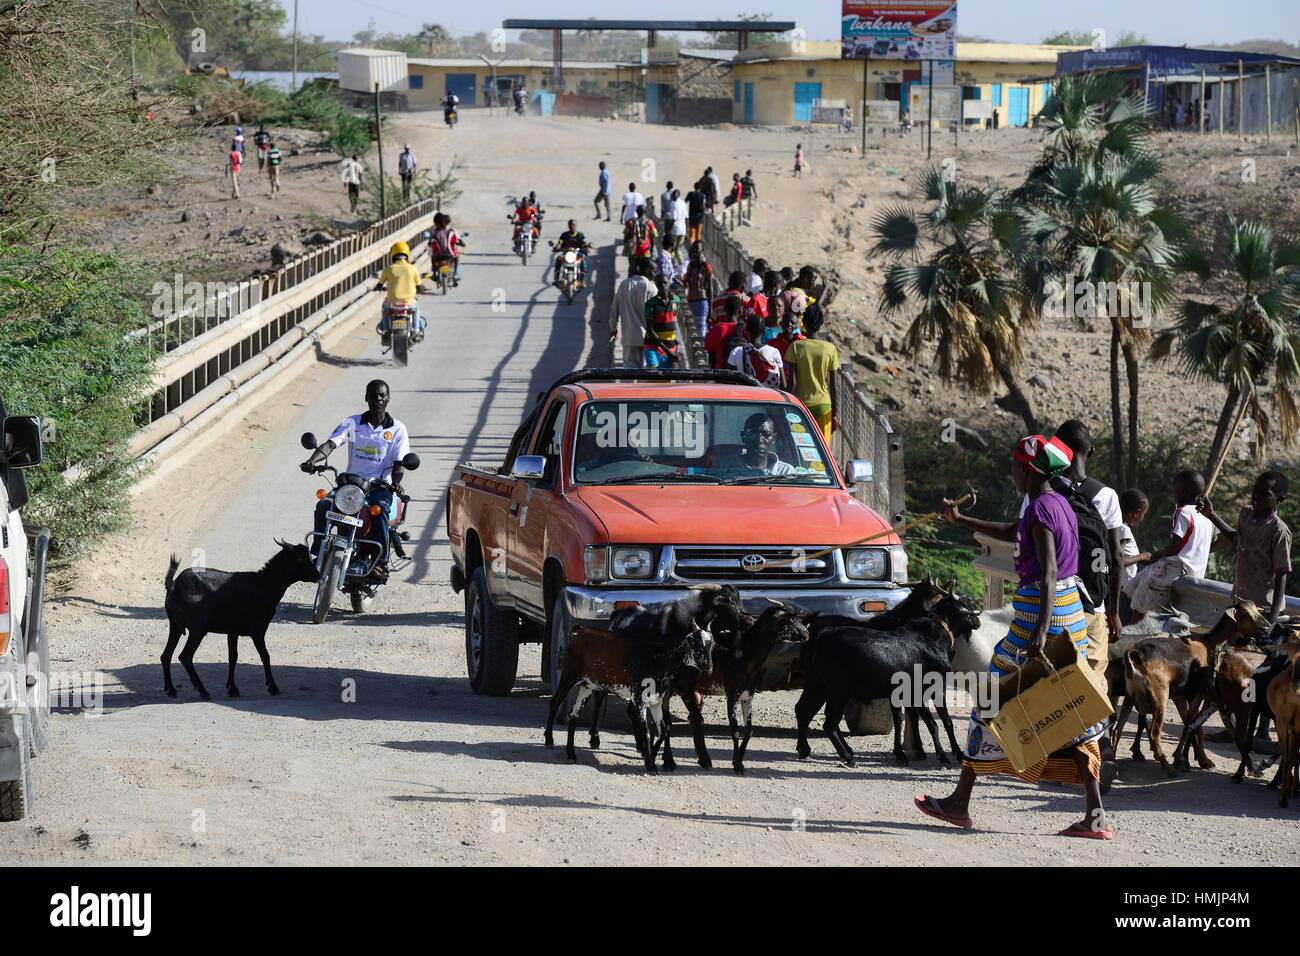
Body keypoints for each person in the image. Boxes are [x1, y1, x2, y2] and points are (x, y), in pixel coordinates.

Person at [920, 436, 1111, 838]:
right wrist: (963, 521)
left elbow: (1047, 573)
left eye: (1014, 466)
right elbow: (1015, 532)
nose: (1011, 472)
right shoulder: (1056, 501)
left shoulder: (1041, 508)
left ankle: (959, 803)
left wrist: (1040, 633)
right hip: (1070, 613)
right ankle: (1096, 818)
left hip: (1039, 618)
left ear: (1027, 470)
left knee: (990, 698)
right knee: (1069, 707)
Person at [301, 380, 409, 575]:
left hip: (380, 486)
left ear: (388, 400)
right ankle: (318, 551)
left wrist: (397, 484)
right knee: (324, 505)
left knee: (381, 509)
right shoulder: (352, 423)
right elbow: (331, 444)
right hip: (352, 484)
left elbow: (400, 463)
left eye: (382, 396)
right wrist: (312, 461)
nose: (378, 399)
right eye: (374, 395)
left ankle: (381, 562)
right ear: (366, 397)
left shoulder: (398, 429)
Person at [1198, 471, 1293, 623]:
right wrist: (1210, 514)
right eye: (1255, 490)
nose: (1256, 496)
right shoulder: (1246, 514)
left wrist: (1272, 619)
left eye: (1265, 494)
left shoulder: (1279, 531)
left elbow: (1281, 574)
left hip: (1262, 609)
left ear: (1279, 499)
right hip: (1239, 602)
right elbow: (1237, 539)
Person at [1123, 470, 1213, 622]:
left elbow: (1174, 549)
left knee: (1139, 601)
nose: (1173, 492)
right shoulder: (1206, 515)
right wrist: (1199, 551)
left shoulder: (1182, 511)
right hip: (1195, 574)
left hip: (1176, 570)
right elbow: (1223, 541)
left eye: (1175, 488)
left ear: (1183, 491)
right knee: (1138, 582)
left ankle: (1130, 632)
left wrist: (1157, 554)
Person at [785, 309, 837, 438]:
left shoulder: (796, 346)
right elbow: (833, 386)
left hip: (800, 405)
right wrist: (834, 414)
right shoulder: (830, 348)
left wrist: (786, 405)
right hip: (823, 406)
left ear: (804, 322)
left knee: (800, 445)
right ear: (821, 323)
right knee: (822, 447)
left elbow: (793, 382)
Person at [711, 413, 795, 477]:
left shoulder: (786, 472)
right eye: (753, 434)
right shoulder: (722, 466)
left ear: (773, 439)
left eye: (765, 434)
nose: (759, 440)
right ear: (744, 437)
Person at [375, 241, 424, 341]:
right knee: (416, 307)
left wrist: (377, 288)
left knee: (384, 307)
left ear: (393, 255)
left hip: (392, 302)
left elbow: (380, 284)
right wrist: (421, 288)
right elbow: (419, 285)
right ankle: (416, 330)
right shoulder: (412, 268)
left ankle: (385, 330)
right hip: (409, 303)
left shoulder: (388, 269)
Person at [610, 259, 654, 367]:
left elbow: (614, 309)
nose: (654, 274)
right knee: (645, 371)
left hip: (628, 337)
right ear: (648, 271)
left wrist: (613, 328)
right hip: (646, 337)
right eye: (654, 271)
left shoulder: (624, 285)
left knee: (628, 371)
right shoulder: (651, 288)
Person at [728, 314, 785, 389]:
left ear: (746, 330)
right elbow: (783, 385)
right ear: (764, 331)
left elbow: (729, 382)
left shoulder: (736, 352)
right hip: (769, 397)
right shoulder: (774, 352)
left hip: (745, 397)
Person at [642, 273, 682, 368]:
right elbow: (650, 330)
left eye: (665, 283)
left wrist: (675, 345)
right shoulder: (651, 304)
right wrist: (669, 352)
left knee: (665, 380)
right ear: (656, 285)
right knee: (654, 376)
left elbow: (672, 321)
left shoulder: (676, 301)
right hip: (652, 345)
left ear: (669, 283)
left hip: (670, 345)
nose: (662, 286)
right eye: (659, 284)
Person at [1117, 489, 1151, 590]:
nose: (1143, 518)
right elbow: (1119, 560)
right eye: (1144, 514)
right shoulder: (1123, 530)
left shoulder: (1117, 527)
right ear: (1136, 513)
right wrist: (1141, 557)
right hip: (1123, 586)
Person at [682, 241, 717, 340]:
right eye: (694, 249)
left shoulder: (705, 266)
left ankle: (703, 351)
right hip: (691, 301)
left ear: (702, 250)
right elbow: (687, 283)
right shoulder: (690, 265)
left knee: (702, 330)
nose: (696, 251)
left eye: (698, 248)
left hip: (702, 301)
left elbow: (710, 287)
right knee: (692, 329)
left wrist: (711, 307)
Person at [704, 294, 746, 370]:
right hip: (742, 375)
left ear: (724, 309)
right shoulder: (745, 329)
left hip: (722, 375)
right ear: (740, 311)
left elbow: (711, 361)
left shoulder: (714, 330)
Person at [552, 219, 591, 288]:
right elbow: (560, 242)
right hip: (566, 253)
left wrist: (586, 248)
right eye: (570, 225)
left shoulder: (580, 235)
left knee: (583, 259)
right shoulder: (564, 235)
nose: (572, 226)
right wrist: (557, 247)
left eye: (573, 224)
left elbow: (584, 243)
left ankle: (582, 280)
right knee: (559, 258)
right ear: (568, 226)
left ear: (576, 226)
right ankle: (556, 279)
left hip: (577, 254)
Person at [430, 213, 464, 286]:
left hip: (438, 255)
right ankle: (455, 272)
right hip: (450, 254)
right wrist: (461, 243)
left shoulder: (434, 231)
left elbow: (431, 241)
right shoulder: (451, 230)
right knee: (456, 255)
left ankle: (434, 272)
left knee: (432, 253)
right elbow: (457, 239)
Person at [625, 204, 657, 269]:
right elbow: (654, 237)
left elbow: (626, 235)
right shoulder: (649, 222)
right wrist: (651, 250)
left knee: (632, 270)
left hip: (634, 251)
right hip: (646, 251)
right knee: (645, 270)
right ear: (645, 212)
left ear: (636, 211)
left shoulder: (631, 222)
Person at [684, 181, 707, 246]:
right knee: (698, 235)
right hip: (699, 218)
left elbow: (685, 200)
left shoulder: (690, 194)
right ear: (700, 188)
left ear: (694, 187)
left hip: (691, 217)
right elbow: (703, 206)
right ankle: (698, 249)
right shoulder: (703, 195)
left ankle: (692, 249)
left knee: (692, 235)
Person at [666, 188, 687, 259]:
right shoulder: (684, 203)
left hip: (675, 230)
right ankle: (682, 266)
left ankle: (672, 265)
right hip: (682, 230)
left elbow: (674, 219)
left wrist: (669, 230)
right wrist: (686, 230)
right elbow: (686, 217)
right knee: (679, 249)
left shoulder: (674, 204)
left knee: (672, 249)